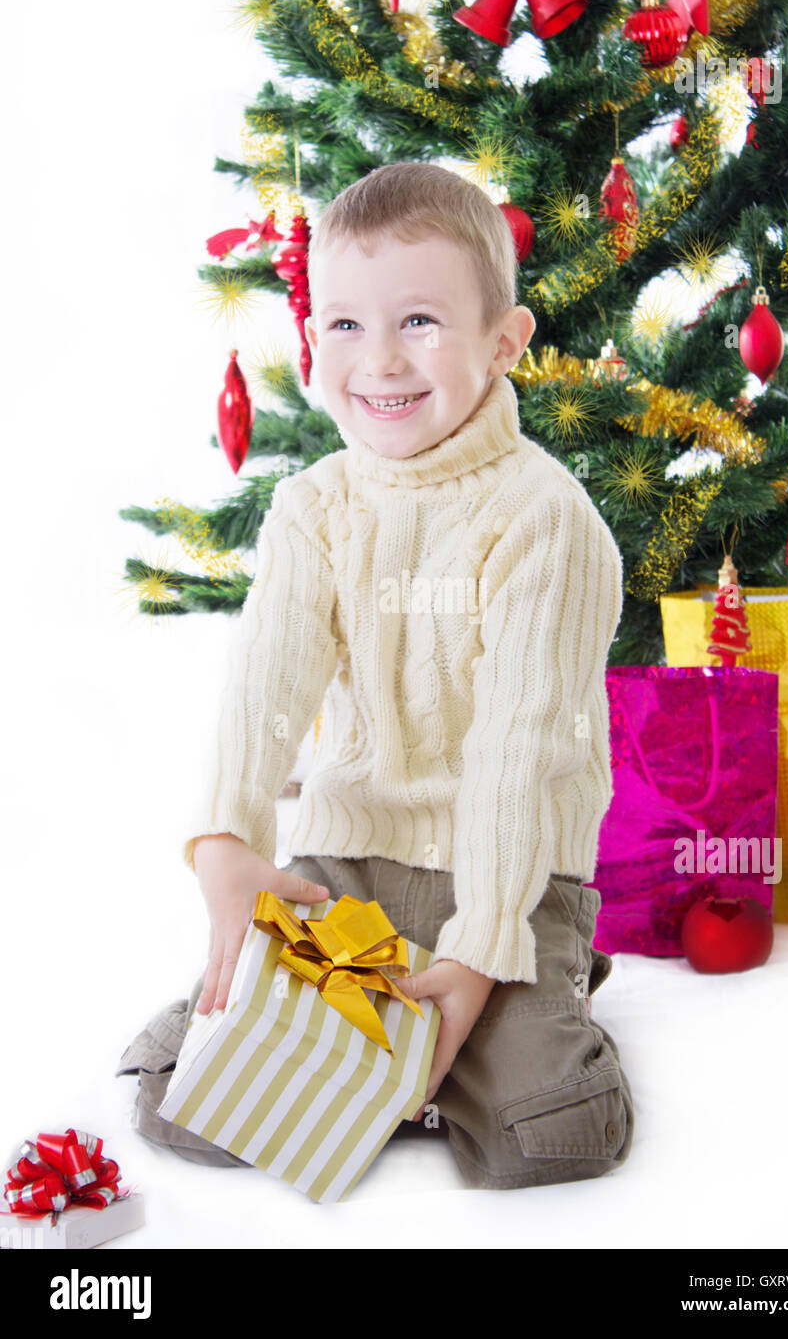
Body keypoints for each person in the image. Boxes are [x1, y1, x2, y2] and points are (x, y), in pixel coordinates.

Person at [116, 161, 635, 1191]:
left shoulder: (546, 518)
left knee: (546, 1135)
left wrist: (480, 953)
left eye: (420, 322)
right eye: (344, 325)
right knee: (178, 1092)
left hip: (514, 873)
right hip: (349, 863)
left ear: (503, 340)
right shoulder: (314, 505)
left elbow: (514, 754)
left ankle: (529, 998)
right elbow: (268, 682)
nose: (379, 361)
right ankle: (401, 1057)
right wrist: (226, 839)